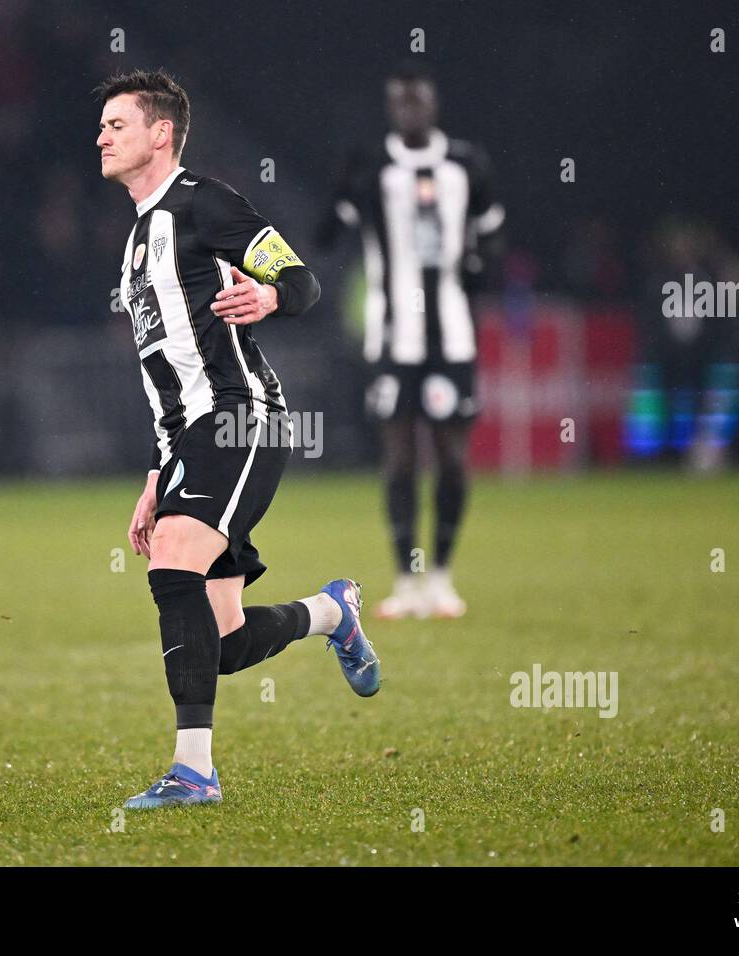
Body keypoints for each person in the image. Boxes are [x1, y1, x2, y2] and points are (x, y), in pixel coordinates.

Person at [95, 69, 381, 809]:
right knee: (219, 644)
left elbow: (306, 282)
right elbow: (165, 376)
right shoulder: (135, 242)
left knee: (173, 560)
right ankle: (332, 613)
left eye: (116, 124)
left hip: (239, 415)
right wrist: (159, 475)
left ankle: (194, 772)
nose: (101, 136)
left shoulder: (204, 204)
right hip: (191, 434)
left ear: (161, 133)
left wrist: (271, 294)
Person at [318, 66, 504, 619]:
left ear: (434, 105)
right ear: (391, 109)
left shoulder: (467, 164)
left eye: (419, 102)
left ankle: (441, 576)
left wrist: (478, 270)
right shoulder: (375, 167)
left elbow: (492, 236)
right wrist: (342, 182)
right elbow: (324, 234)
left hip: (451, 337)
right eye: (401, 104)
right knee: (398, 459)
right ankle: (405, 579)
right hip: (392, 338)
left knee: (450, 456)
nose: (411, 113)